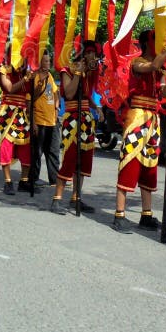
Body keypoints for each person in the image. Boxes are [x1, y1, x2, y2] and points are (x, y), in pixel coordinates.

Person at [112, 27, 166, 233]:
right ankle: (119, 214)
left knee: (150, 167)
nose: (158, 43)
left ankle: (146, 215)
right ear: (146, 43)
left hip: (152, 119)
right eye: (155, 39)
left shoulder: (160, 69)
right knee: (130, 162)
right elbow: (152, 65)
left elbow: (164, 93)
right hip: (137, 118)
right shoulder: (137, 62)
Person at [53, 40, 101, 215]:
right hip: (72, 118)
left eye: (93, 53)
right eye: (89, 52)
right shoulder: (67, 70)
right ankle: (57, 198)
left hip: (86, 119)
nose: (92, 56)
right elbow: (70, 93)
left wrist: (97, 108)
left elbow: (86, 95)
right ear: (82, 54)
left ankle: (76, 197)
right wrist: (78, 73)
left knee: (85, 160)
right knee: (70, 158)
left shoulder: (89, 73)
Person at [0, 51, 33, 195]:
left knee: (26, 148)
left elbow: (30, 96)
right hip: (8, 113)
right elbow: (10, 88)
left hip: (22, 114)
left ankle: (24, 181)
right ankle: (8, 181)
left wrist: (37, 81)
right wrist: (25, 79)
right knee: (6, 147)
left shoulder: (26, 72)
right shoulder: (4, 70)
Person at [31, 52, 59, 187]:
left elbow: (55, 92)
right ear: (40, 63)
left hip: (52, 120)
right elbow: (32, 97)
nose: (48, 63)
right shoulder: (35, 76)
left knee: (53, 150)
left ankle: (54, 179)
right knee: (37, 151)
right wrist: (40, 83)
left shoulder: (50, 76)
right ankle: (33, 178)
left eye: (49, 61)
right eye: (46, 61)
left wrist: (57, 107)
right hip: (39, 119)